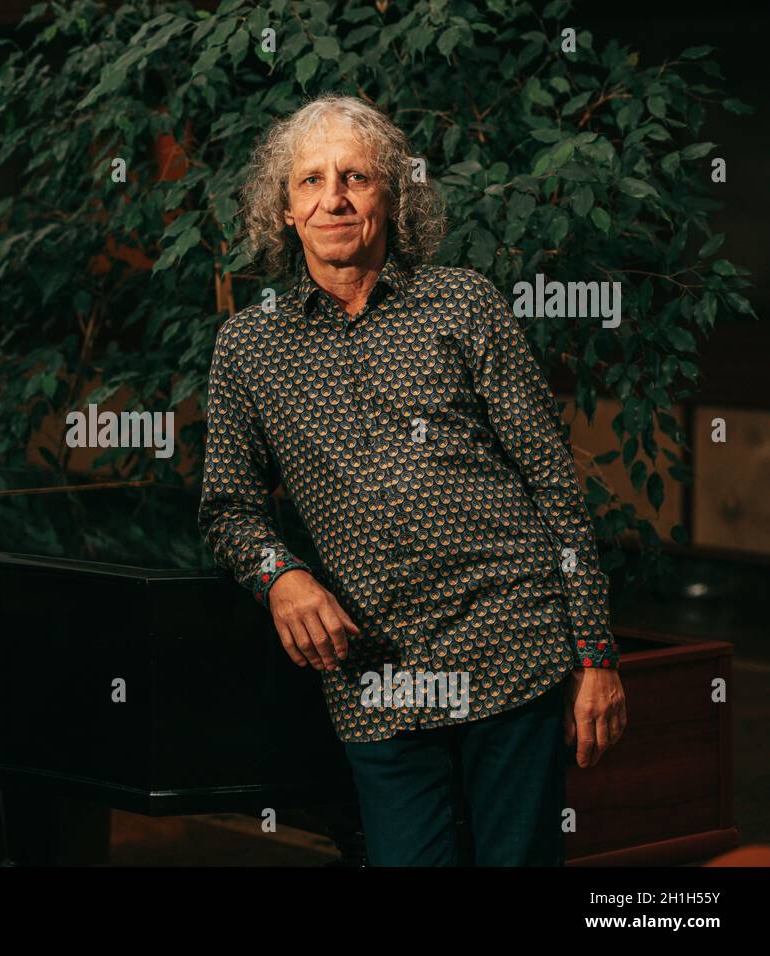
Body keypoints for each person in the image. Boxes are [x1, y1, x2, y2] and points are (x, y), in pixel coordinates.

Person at [198, 94, 627, 866]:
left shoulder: (463, 303)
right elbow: (228, 508)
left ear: (392, 198)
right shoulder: (249, 346)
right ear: (285, 209)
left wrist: (595, 655)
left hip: (511, 645)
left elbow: (552, 482)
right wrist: (281, 578)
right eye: (311, 181)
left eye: (356, 178)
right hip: (377, 673)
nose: (334, 198)